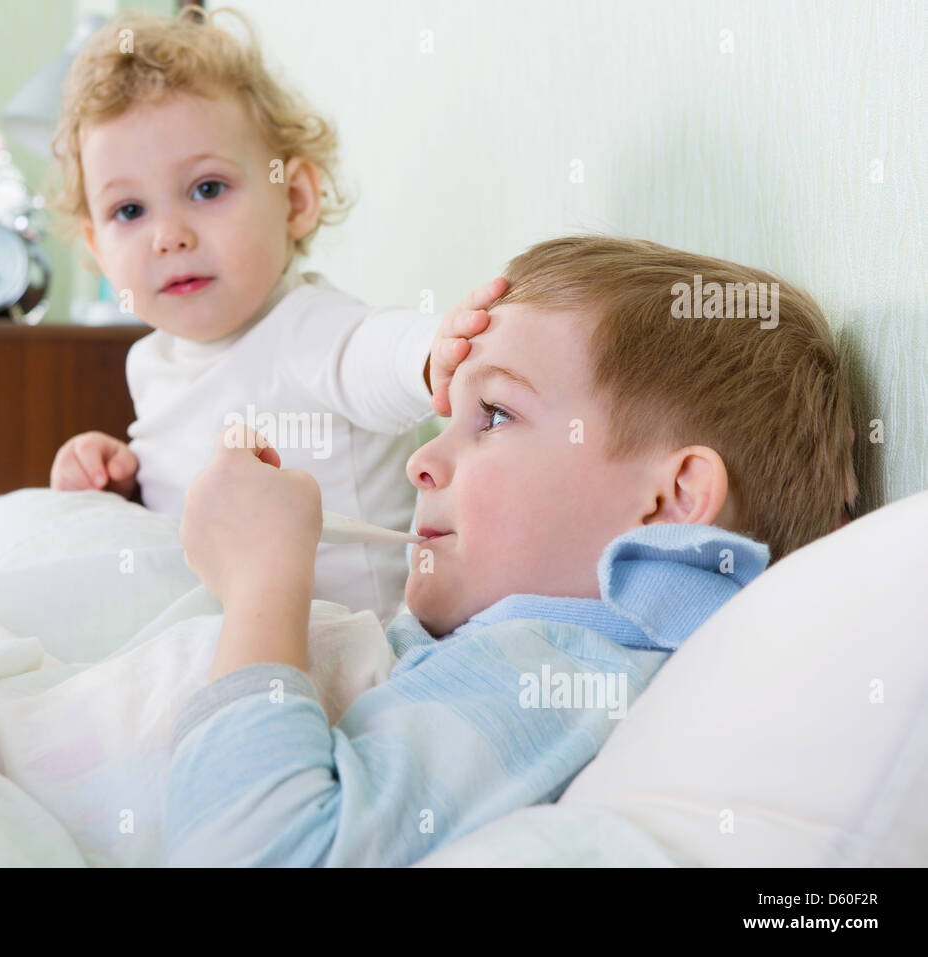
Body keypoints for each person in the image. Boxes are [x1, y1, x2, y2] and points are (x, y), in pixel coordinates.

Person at [166, 235, 859, 866]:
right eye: (447, 419)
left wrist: (260, 580)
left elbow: (268, 851)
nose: (421, 463)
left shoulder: (557, 665)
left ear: (672, 499)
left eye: (494, 414)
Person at [46, 4, 499, 623]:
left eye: (207, 188)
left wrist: (433, 350)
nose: (168, 236)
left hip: (352, 641)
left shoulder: (305, 327)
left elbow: (373, 350)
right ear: (97, 247)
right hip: (230, 636)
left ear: (296, 200)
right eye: (129, 211)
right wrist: (122, 481)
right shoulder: (150, 362)